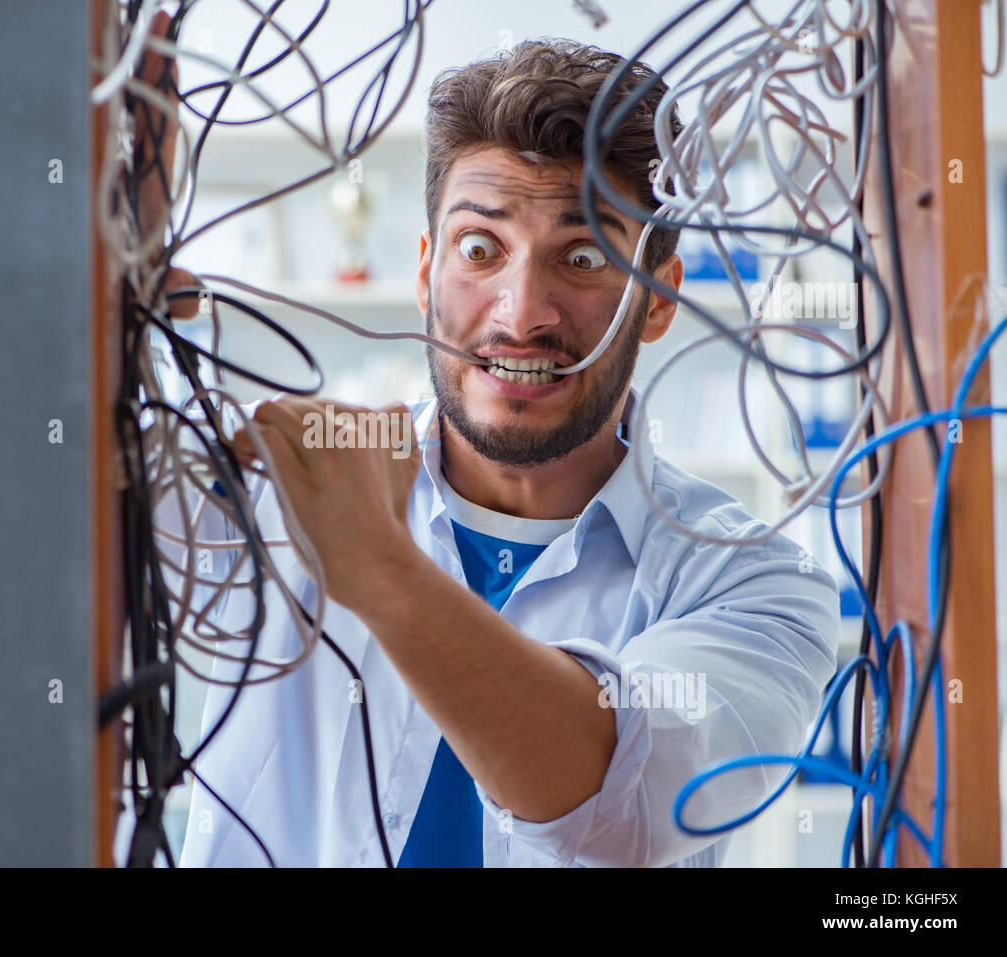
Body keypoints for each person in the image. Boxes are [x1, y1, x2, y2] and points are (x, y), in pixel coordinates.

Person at [121, 16, 840, 867]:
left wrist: (380, 571)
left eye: (580, 258)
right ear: (425, 272)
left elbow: (613, 799)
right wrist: (111, 257)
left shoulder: (757, 582)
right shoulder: (275, 490)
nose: (520, 313)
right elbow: (37, 502)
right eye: (479, 248)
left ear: (657, 298)